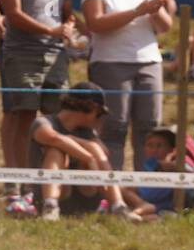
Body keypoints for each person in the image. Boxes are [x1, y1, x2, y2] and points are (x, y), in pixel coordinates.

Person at [0, 0, 75, 216]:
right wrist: (53, 31)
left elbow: (68, 15)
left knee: (55, 121)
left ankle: (48, 191)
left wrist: (69, 28)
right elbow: (13, 15)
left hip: (56, 57)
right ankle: (18, 188)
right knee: (23, 117)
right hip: (23, 54)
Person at [81, 0, 171, 170]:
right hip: (111, 63)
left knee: (149, 127)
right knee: (114, 127)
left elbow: (165, 26)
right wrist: (136, 12)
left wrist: (154, 11)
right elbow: (95, 24)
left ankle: (145, 188)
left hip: (148, 61)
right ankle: (114, 190)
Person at [29, 81, 154, 222]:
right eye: (99, 113)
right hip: (53, 194)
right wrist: (88, 157)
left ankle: (118, 207)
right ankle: (50, 207)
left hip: (84, 197)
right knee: (56, 151)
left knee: (95, 148)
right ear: (91, 107)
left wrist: (84, 144)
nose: (100, 119)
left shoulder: (87, 131)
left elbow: (104, 153)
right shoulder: (43, 123)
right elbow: (55, 139)